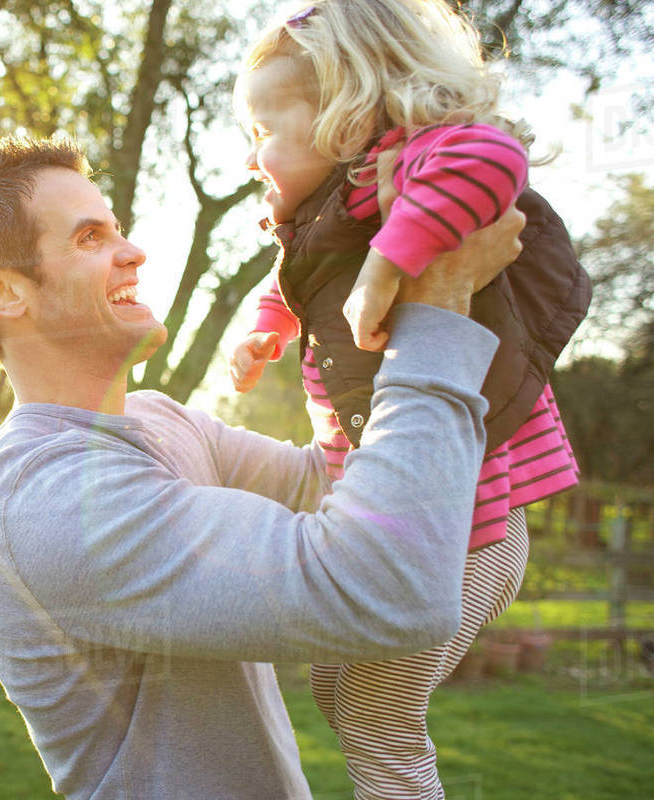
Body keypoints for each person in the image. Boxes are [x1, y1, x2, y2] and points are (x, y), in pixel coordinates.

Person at [0, 135, 523, 799]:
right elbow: (384, 587)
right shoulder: (39, 498)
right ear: (6, 291)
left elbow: (347, 487)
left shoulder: (163, 419)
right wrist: (435, 312)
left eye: (117, 228)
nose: (133, 252)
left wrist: (408, 231)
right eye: (91, 238)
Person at [227, 1, 590, 797]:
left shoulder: (427, 159)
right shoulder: (327, 220)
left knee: (379, 716)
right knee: (337, 691)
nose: (254, 154)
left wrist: (390, 264)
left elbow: (493, 161)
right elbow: (296, 284)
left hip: (474, 530)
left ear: (345, 111)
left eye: (264, 129)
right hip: (428, 525)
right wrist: (263, 329)